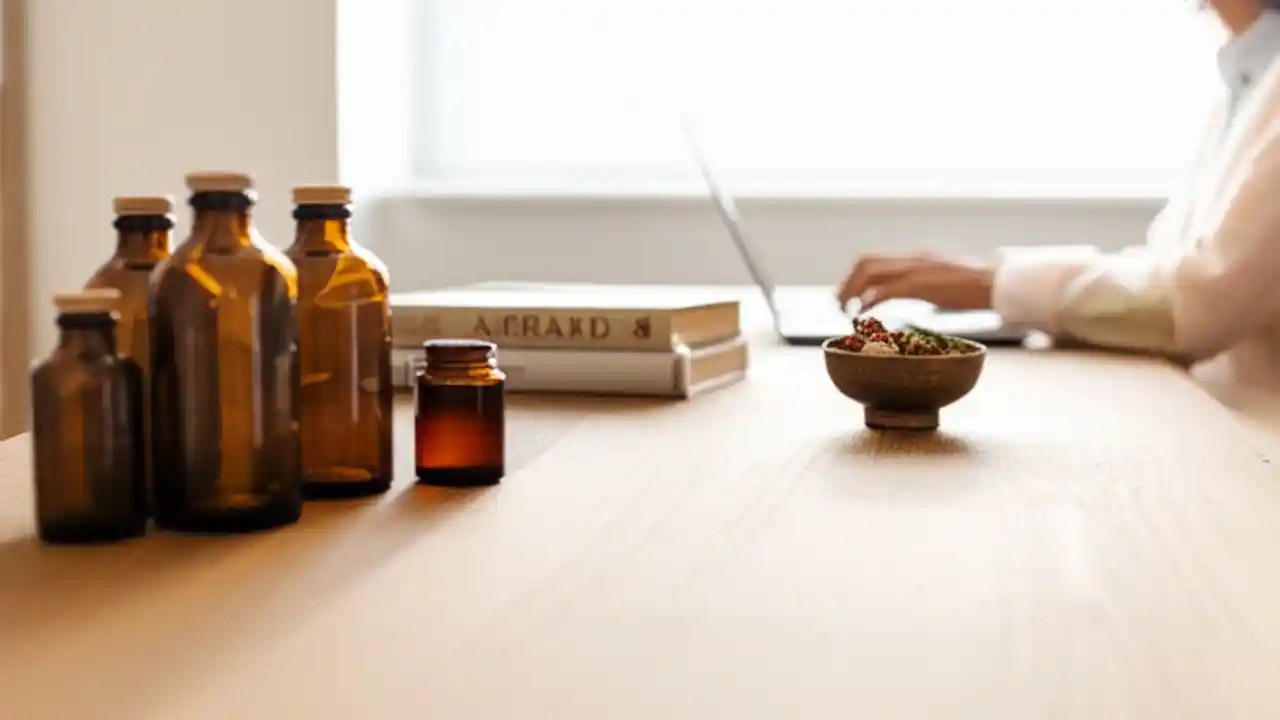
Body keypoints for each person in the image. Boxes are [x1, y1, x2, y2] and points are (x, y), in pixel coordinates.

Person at [838, 0, 1280, 410]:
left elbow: (1198, 306)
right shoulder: (1244, 82)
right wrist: (989, 284)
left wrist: (993, 284)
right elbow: (1167, 270)